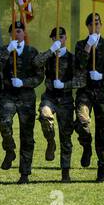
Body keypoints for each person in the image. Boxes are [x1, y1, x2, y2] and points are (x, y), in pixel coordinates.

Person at [0, 20, 42, 183]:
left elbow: (39, 76)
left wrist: (24, 82)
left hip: (26, 97)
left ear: (24, 34)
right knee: (4, 123)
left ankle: (24, 173)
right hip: (8, 95)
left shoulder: (32, 52)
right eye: (14, 31)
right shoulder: (3, 51)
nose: (17, 34)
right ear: (10, 34)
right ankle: (9, 150)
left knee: (27, 135)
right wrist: (7, 52)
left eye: (20, 31)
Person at [74, 12, 104, 182]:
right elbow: (78, 65)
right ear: (87, 26)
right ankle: (86, 146)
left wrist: (102, 76)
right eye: (91, 23)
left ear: (101, 25)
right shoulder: (80, 45)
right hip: (85, 90)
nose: (95, 26)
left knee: (103, 130)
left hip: (102, 91)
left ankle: (102, 167)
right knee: (82, 121)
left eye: (97, 23)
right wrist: (87, 48)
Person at [39, 26, 76, 182]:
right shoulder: (48, 57)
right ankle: (50, 141)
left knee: (66, 136)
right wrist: (50, 51)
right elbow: (36, 62)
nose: (59, 40)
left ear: (65, 38)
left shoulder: (72, 58)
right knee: (44, 115)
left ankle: (65, 172)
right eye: (55, 37)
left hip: (66, 99)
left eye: (61, 37)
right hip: (50, 97)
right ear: (52, 39)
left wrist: (65, 85)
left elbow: (81, 80)